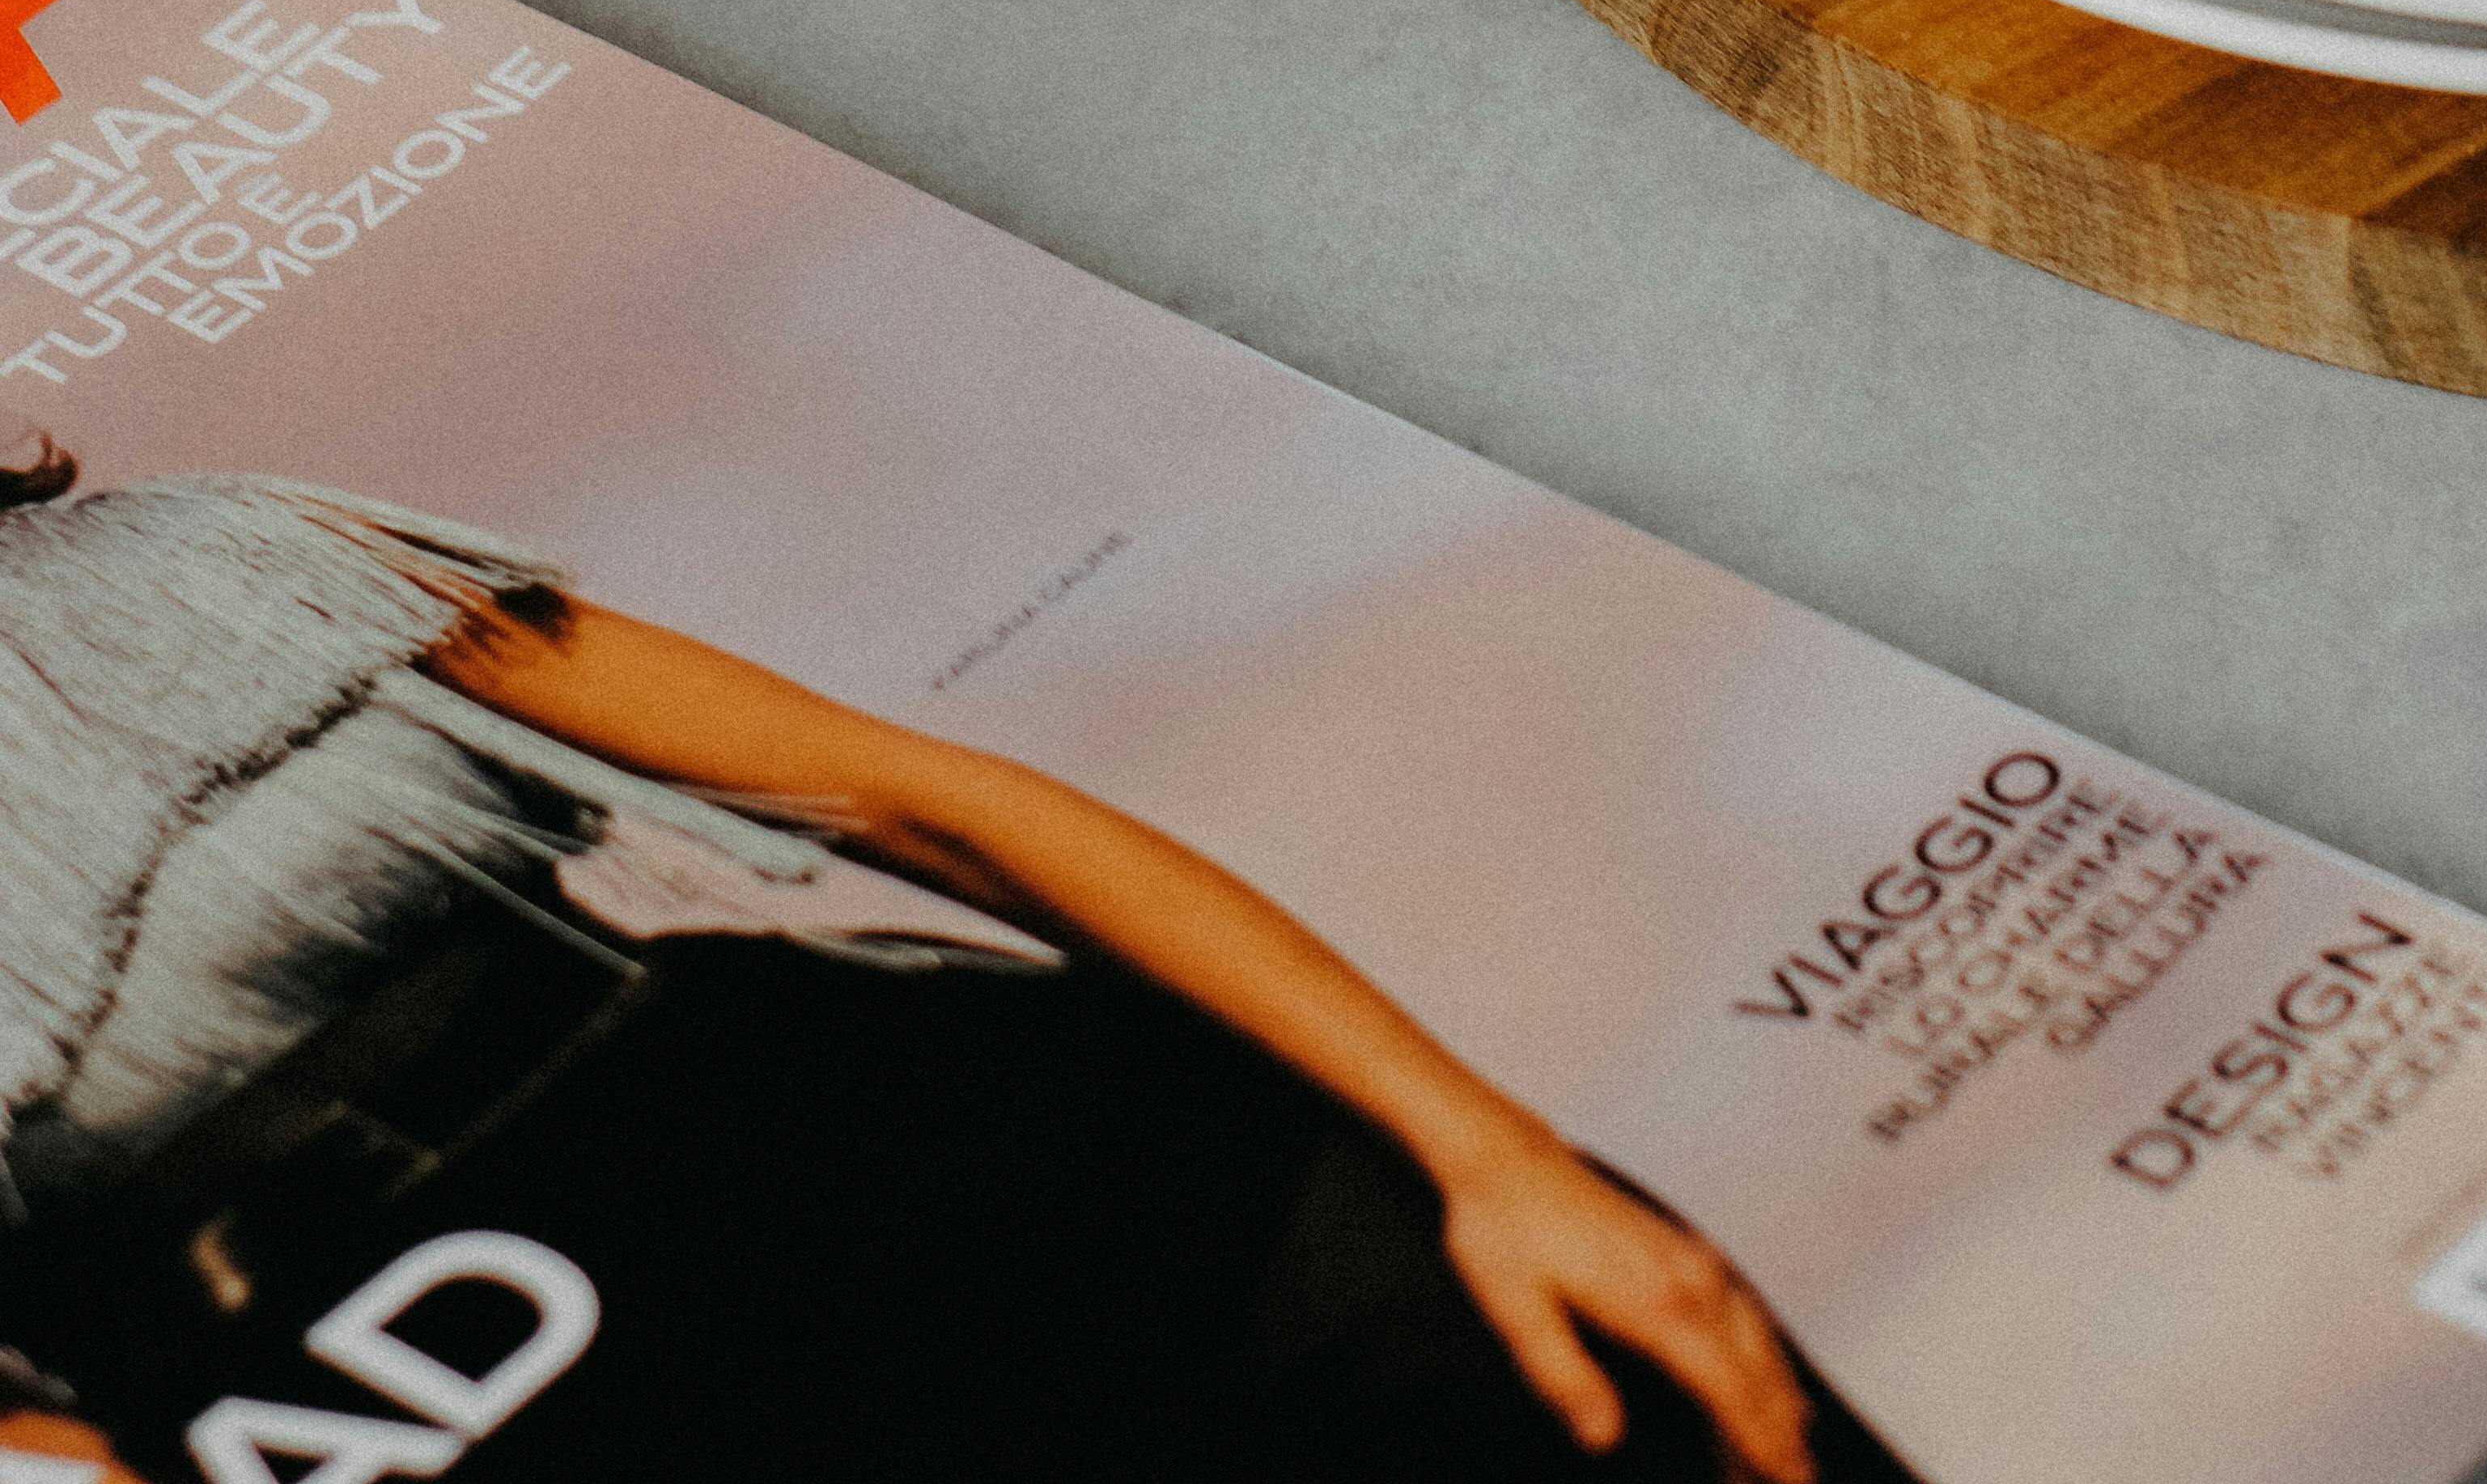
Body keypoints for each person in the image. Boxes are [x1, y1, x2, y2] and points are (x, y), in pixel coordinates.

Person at [0, 447, 1904, 1484]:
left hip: (1074, 1199)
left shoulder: (212, 558)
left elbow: (932, 807)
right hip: (504, 1415)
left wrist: (1491, 1156)